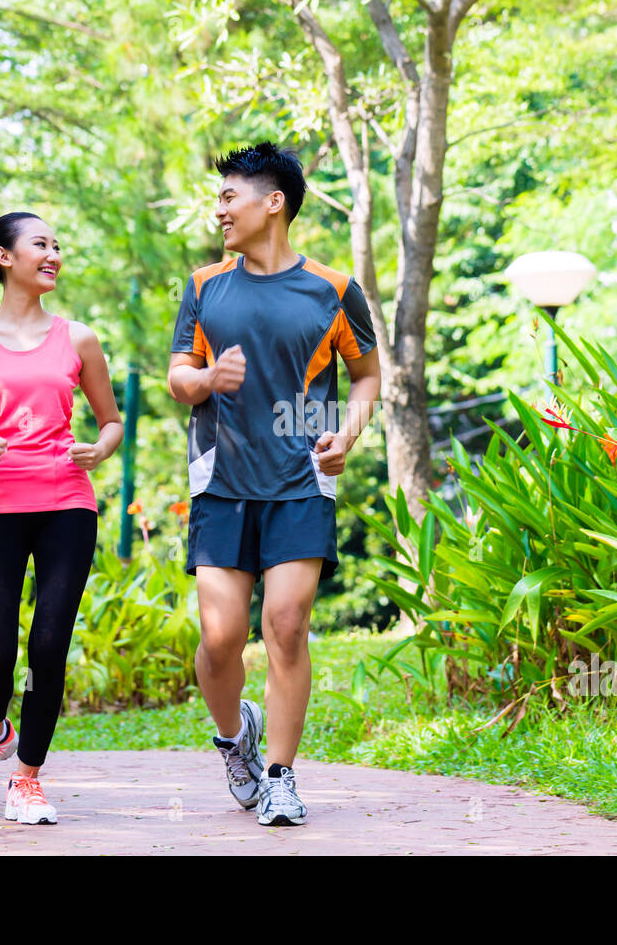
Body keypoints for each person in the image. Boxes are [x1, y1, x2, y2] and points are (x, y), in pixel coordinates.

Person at [167, 142, 382, 826]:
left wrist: (347, 433)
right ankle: (236, 740)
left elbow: (368, 376)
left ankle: (282, 776)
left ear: (273, 203)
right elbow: (179, 377)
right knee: (222, 636)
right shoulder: (204, 286)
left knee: (285, 625)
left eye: (230, 196)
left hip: (300, 480)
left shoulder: (334, 289)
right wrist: (207, 380)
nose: (220, 208)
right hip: (222, 480)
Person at [0, 211, 123, 825]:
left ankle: (28, 779)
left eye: (57, 245)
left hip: (68, 503)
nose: (54, 254)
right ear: (3, 257)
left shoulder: (80, 338)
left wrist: (100, 448)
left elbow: (111, 420)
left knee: (48, 646)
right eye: (40, 244)